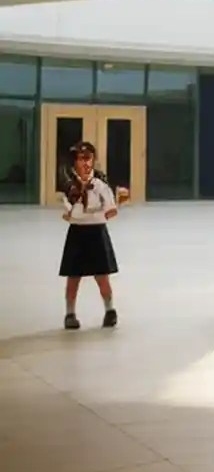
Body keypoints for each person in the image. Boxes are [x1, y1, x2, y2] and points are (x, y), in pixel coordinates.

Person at [59, 141, 127, 330]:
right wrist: (81, 208)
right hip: (78, 233)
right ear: (74, 163)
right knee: (73, 277)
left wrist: (109, 207)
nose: (85, 164)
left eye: (88, 159)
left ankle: (110, 310)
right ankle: (70, 313)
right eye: (81, 159)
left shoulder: (100, 185)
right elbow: (69, 213)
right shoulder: (69, 187)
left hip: (97, 232)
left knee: (102, 276)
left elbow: (110, 210)